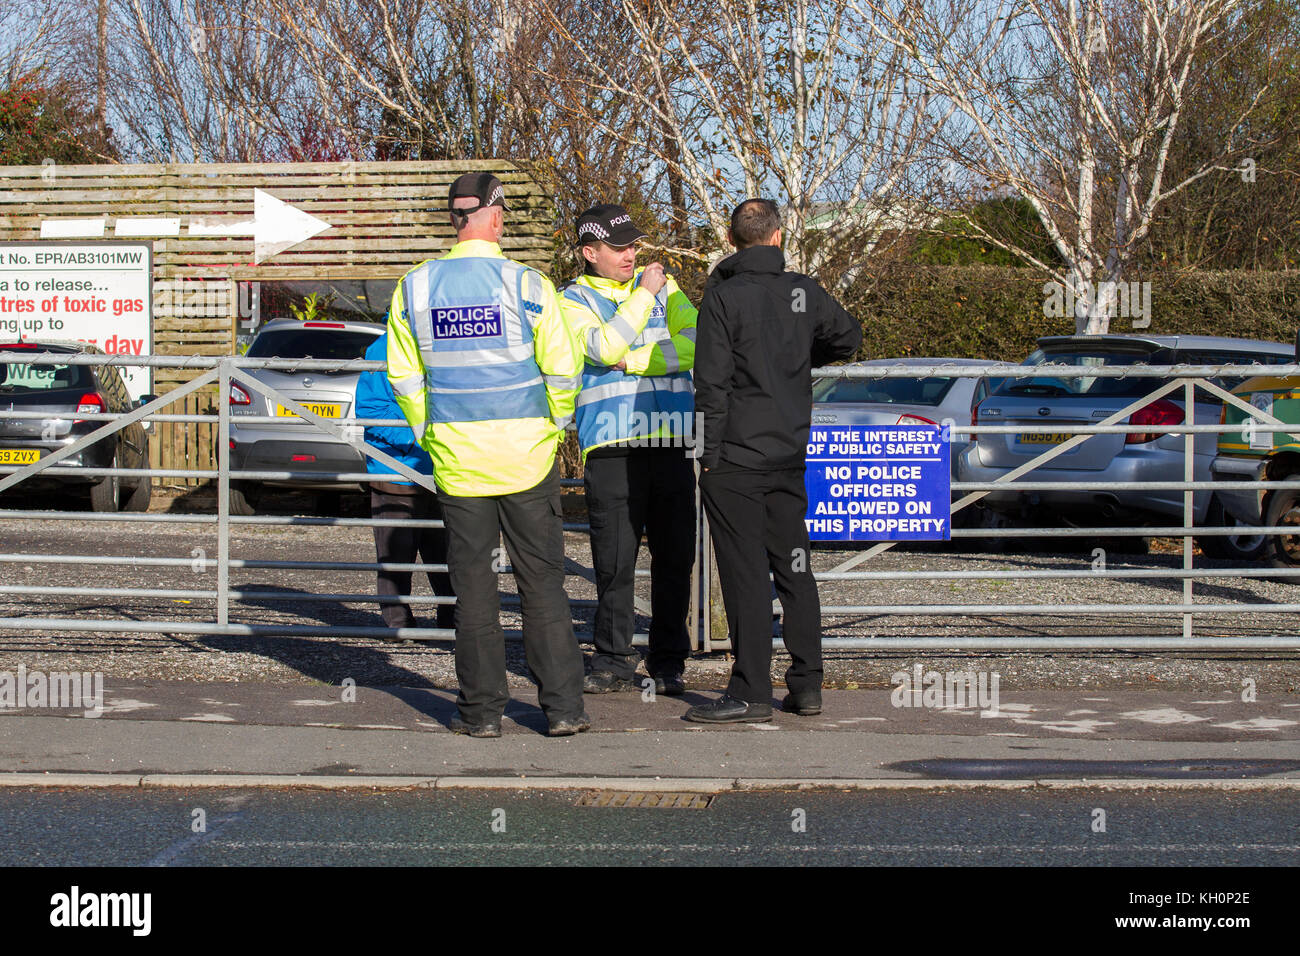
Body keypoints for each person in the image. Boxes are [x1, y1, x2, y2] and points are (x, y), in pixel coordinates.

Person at [386, 172, 588, 738]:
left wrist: (432, 433)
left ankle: (480, 715)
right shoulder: (528, 284)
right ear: (495, 217)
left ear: (456, 219)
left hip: (458, 462)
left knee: (472, 591)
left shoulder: (415, 288)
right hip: (527, 458)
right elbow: (564, 369)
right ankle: (564, 711)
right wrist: (553, 425)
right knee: (541, 585)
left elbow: (404, 377)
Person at [686, 198, 862, 723]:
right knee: (794, 568)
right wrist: (802, 352)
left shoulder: (723, 297)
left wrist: (708, 456)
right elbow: (849, 338)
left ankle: (750, 692)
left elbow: (710, 384)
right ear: (778, 236)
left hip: (737, 457)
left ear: (734, 239)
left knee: (744, 575)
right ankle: (807, 685)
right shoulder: (802, 293)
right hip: (788, 452)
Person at [560, 204, 698, 697]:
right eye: (618, 247)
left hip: (672, 440)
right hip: (613, 445)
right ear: (589, 252)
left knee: (675, 558)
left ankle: (668, 661)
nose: (630, 254)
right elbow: (600, 349)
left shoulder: (666, 284)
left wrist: (637, 360)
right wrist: (642, 298)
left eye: (633, 245)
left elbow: (699, 343)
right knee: (615, 562)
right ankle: (614, 659)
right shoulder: (572, 299)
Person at [356, 330, 455, 634]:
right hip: (398, 471)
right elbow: (371, 409)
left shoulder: (445, 342)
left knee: (448, 552)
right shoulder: (383, 347)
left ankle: (452, 618)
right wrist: (423, 440)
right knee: (396, 552)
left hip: (443, 469)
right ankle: (398, 624)